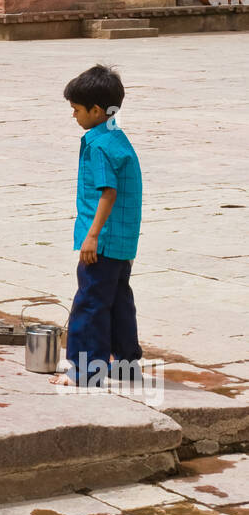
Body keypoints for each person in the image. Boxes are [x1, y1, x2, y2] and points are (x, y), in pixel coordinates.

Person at [55, 64, 143, 388]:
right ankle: (126, 364)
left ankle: (84, 372)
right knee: (119, 301)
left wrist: (91, 237)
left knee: (89, 303)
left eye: (76, 110)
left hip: (102, 241)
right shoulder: (117, 137)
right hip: (122, 240)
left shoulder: (98, 145)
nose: (74, 116)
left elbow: (108, 192)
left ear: (95, 110)